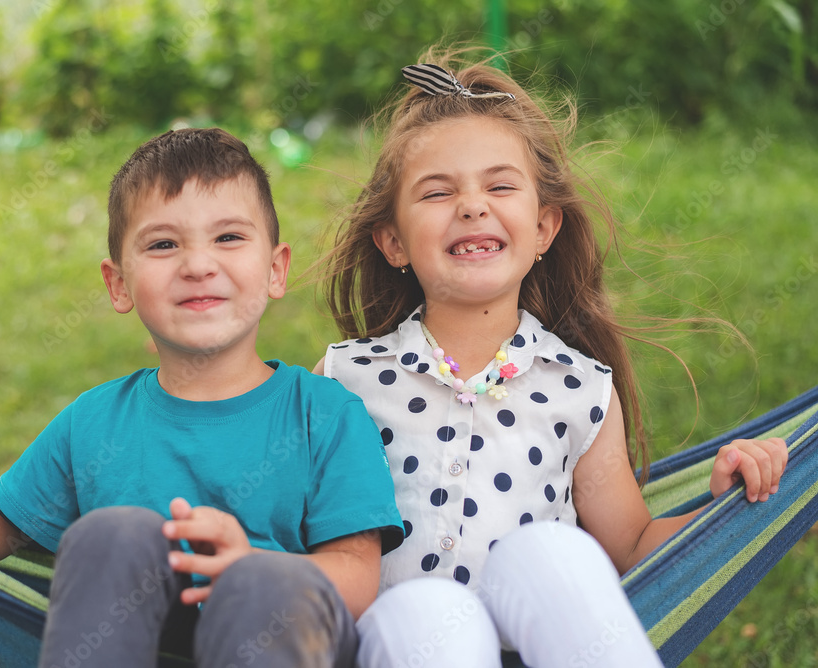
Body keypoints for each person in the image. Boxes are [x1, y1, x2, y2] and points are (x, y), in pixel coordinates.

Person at [0, 127, 404, 668]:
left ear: (276, 270)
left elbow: (357, 574)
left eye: (228, 237)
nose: (199, 265)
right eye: (163, 245)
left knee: (261, 587)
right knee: (110, 533)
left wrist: (253, 564)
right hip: (136, 643)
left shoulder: (324, 413)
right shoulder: (96, 422)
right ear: (118, 284)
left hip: (285, 639)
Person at [314, 54, 787, 667]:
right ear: (393, 241)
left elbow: (633, 546)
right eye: (437, 191)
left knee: (550, 555)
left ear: (543, 228)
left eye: (500, 185)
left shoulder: (579, 388)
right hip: (397, 641)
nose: (472, 205)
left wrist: (733, 506)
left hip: (536, 642)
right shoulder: (343, 381)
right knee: (431, 611)